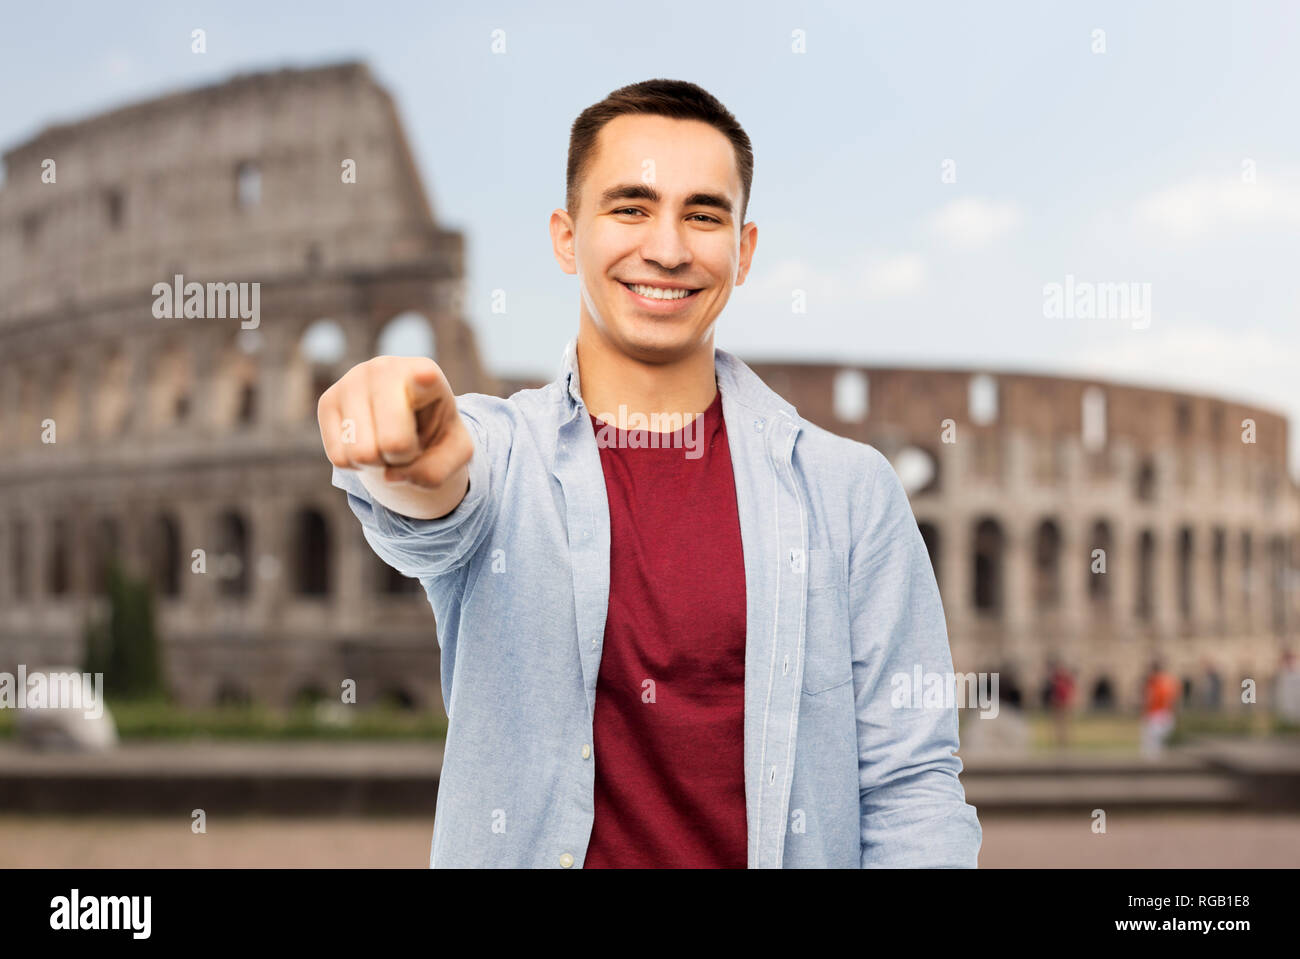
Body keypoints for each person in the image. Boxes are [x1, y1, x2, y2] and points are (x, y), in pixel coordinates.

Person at [319, 79, 981, 868]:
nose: (667, 248)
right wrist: (405, 461)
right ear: (566, 238)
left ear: (744, 250)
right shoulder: (502, 458)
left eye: (703, 214)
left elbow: (912, 785)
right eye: (630, 208)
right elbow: (434, 504)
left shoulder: (849, 495)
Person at [1140, 658, 1179, 758]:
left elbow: (1151, 700)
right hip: (1162, 715)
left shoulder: (1157, 683)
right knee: (1157, 746)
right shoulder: (1167, 682)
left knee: (1152, 747)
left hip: (1157, 716)